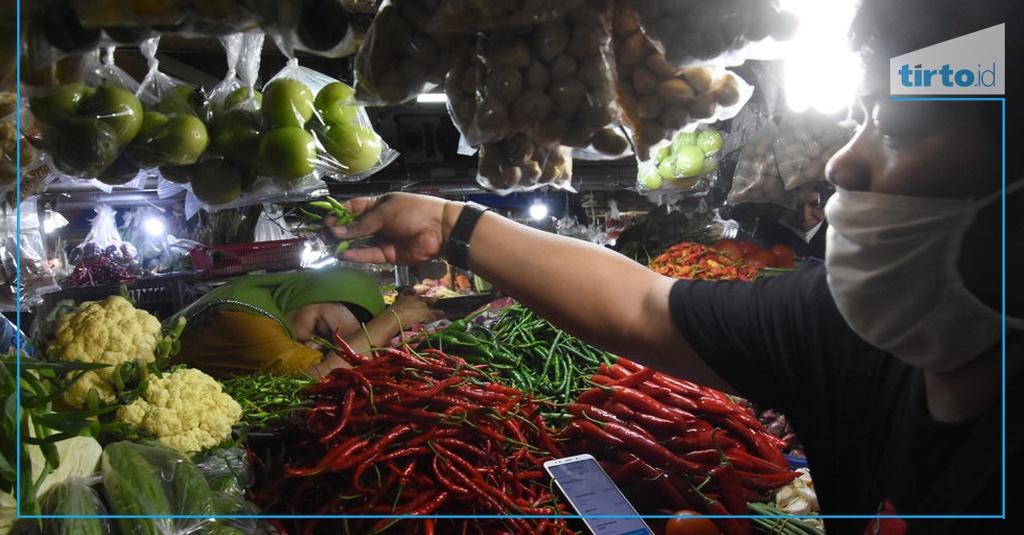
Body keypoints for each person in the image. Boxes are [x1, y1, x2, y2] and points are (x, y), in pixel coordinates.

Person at [324, 1, 1022, 533]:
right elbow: (644, 306)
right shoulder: (850, 336)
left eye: (899, 128)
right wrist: (452, 223)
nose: (843, 161)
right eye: (862, 120)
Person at [167, 265, 441, 379]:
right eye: (319, 329)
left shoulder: (265, 297)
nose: (310, 344)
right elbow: (321, 379)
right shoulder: (243, 320)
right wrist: (396, 317)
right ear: (309, 293)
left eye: (326, 345)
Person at [753, 180, 832, 259]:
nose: (806, 216)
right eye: (794, 207)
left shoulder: (840, 230)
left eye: (816, 205)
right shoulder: (768, 234)